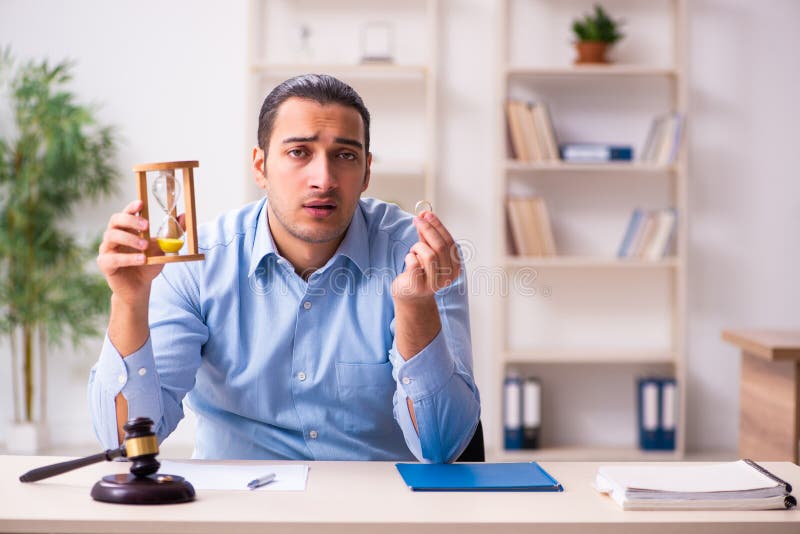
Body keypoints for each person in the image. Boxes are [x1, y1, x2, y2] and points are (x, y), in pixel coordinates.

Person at [89, 74, 480, 462]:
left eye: (345, 156)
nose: (323, 180)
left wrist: (414, 308)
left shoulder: (420, 259)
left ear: (366, 173)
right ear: (260, 167)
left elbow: (442, 447)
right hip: (237, 510)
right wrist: (129, 301)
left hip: (376, 512)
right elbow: (125, 442)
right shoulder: (199, 265)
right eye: (299, 153)